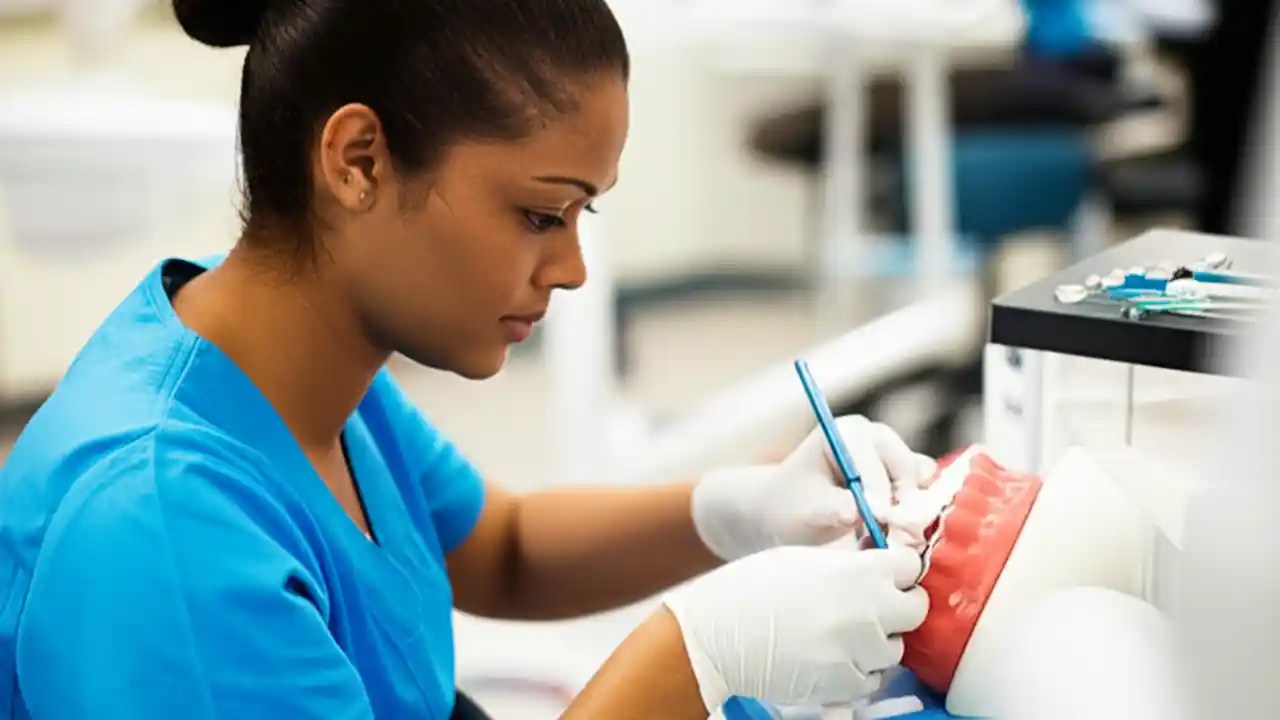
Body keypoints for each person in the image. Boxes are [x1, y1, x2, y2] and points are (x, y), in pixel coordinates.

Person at [0, 1, 934, 718]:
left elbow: (503, 550)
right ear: (359, 159)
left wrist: (741, 505)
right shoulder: (158, 525)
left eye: (583, 217)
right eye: (539, 215)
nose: (568, 269)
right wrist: (701, 657)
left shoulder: (287, 358)